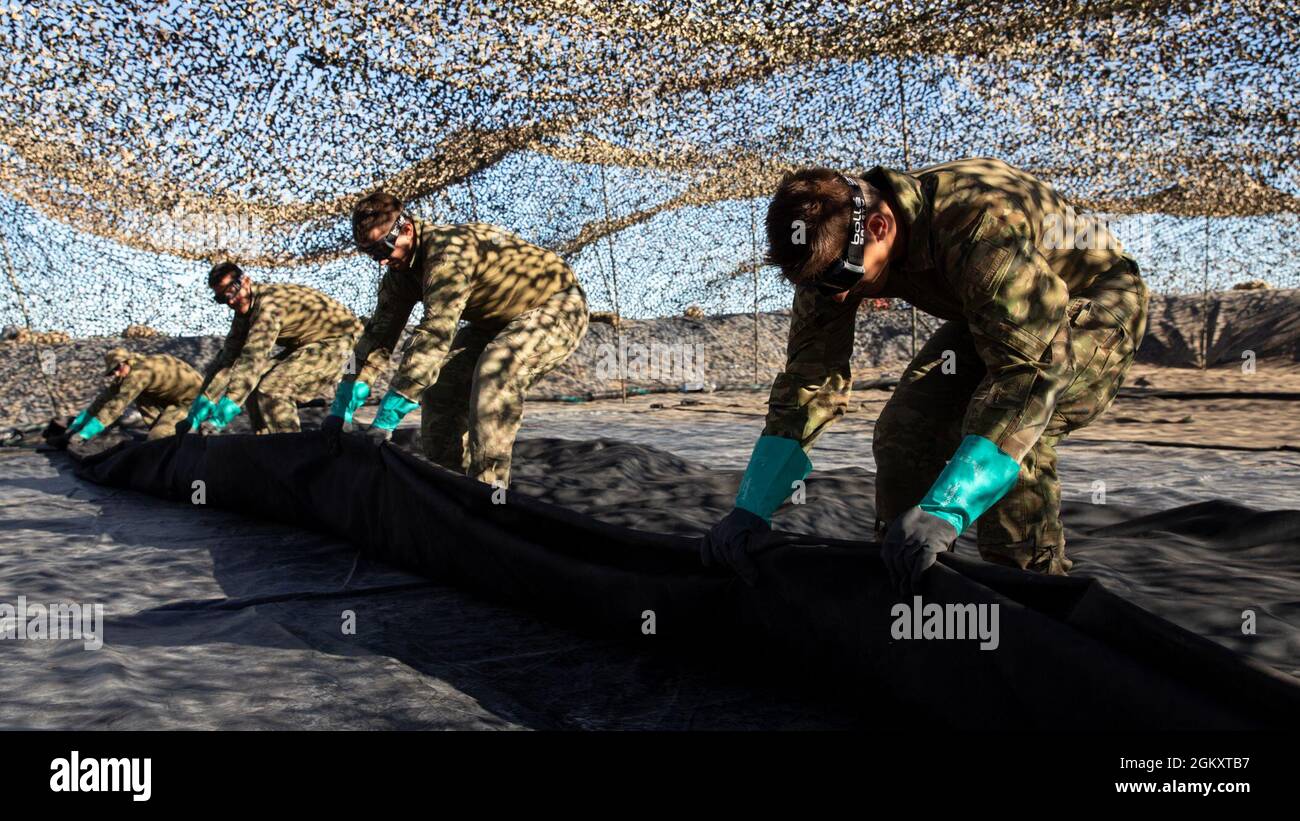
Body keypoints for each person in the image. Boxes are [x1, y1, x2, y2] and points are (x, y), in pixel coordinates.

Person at [701, 158, 1148, 593]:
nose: (833, 298)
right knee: (904, 432)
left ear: (879, 227)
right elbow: (810, 381)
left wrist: (948, 508)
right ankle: (906, 576)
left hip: (1095, 304)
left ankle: (1032, 594)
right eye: (816, 285)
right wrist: (751, 508)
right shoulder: (829, 260)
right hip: (993, 313)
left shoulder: (976, 227)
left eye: (840, 277)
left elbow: (1029, 376)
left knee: (1017, 437)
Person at [327, 192, 588, 488]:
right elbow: (375, 338)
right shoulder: (398, 271)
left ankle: (491, 497)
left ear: (407, 229)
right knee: (440, 391)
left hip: (558, 305)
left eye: (385, 246)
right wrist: (342, 405)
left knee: (495, 375)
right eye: (372, 253)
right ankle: (450, 491)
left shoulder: (447, 254)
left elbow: (434, 334)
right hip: (494, 322)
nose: (382, 259)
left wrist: (388, 417)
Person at [182, 263, 362, 434]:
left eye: (231, 291)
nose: (230, 301)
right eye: (222, 298)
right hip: (308, 344)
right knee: (253, 387)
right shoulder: (244, 312)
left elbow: (252, 360)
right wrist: (196, 415)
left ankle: (291, 456)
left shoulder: (268, 306)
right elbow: (226, 362)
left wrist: (220, 417)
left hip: (346, 346)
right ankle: (266, 447)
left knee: (273, 388)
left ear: (246, 281)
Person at [65, 348, 202, 443]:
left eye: (117, 368)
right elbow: (105, 398)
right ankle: (164, 429)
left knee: (157, 438)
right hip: (173, 397)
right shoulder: (131, 367)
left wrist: (86, 433)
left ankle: (170, 434)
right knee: (141, 396)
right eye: (113, 372)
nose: (116, 374)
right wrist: (77, 425)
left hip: (193, 401)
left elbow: (115, 407)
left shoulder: (139, 374)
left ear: (126, 361)